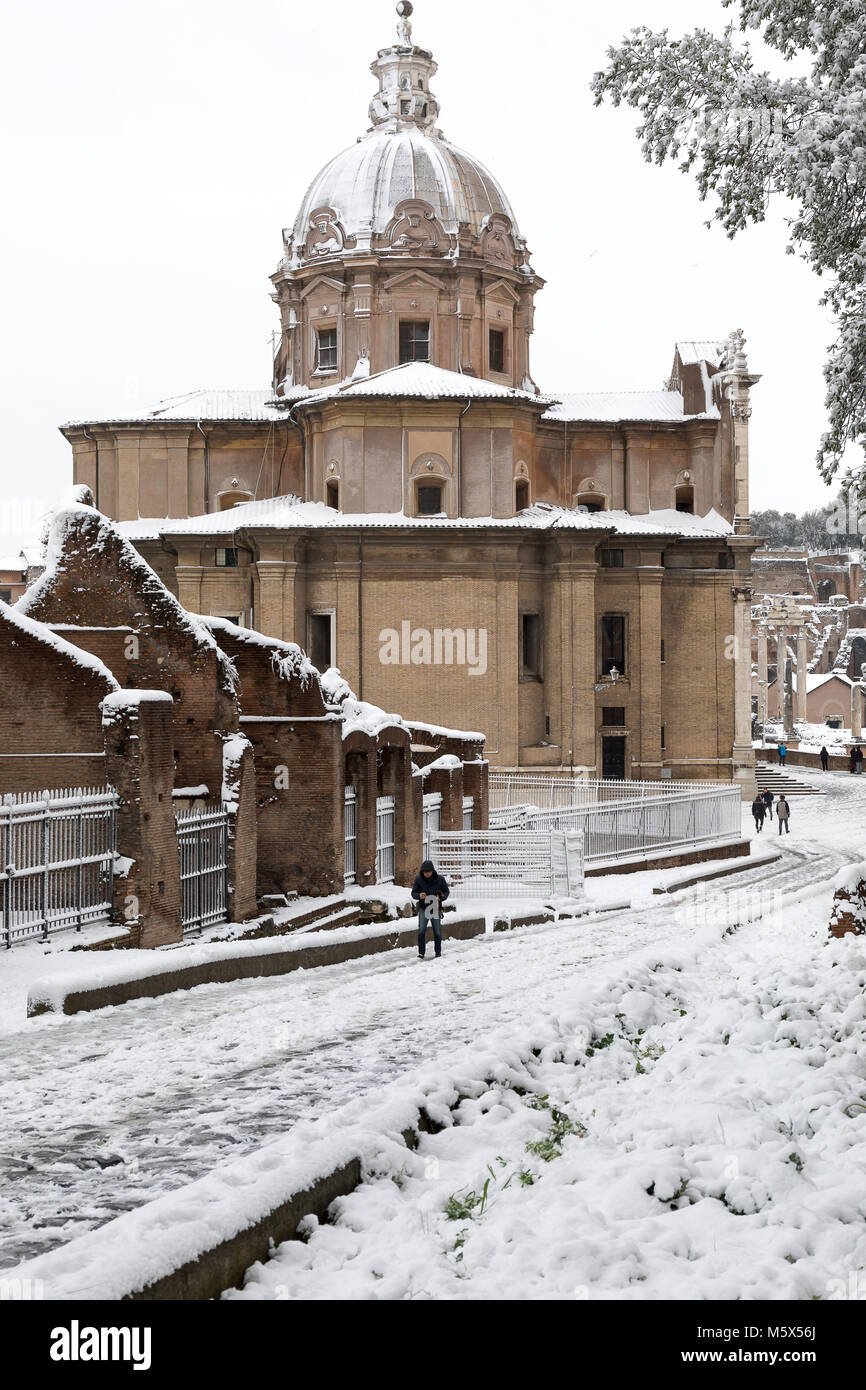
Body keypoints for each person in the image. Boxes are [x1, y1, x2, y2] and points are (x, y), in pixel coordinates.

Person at [411, 858, 450, 959]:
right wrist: (419, 895)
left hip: (435, 908)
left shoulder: (440, 879)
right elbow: (413, 893)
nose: (426, 874)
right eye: (425, 872)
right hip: (423, 908)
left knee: (437, 931)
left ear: (432, 871)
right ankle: (421, 953)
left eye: (428, 872)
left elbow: (446, 892)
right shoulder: (418, 879)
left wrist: (441, 897)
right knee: (421, 931)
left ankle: (438, 952)